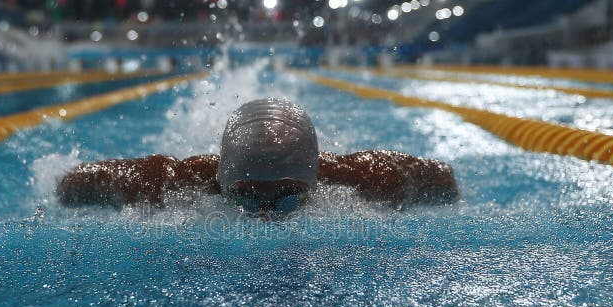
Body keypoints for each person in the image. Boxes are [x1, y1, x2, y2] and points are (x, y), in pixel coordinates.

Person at [57, 98, 458, 216]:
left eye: (287, 198)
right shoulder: (170, 180)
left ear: (315, 180)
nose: (265, 215)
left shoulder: (368, 178)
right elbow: (71, 183)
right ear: (221, 178)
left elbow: (443, 178)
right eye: (246, 197)